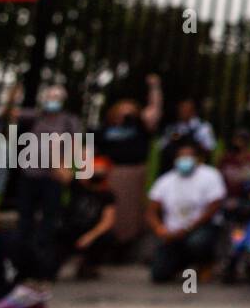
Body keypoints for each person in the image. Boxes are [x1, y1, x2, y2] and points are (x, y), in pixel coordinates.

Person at [14, 84, 82, 281]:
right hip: (29, 175)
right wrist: (13, 96)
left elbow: (75, 147)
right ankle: (20, 265)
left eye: (57, 97)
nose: (53, 100)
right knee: (25, 221)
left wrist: (64, 166)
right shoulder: (34, 117)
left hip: (53, 176)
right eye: (50, 96)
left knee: (49, 222)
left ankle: (44, 268)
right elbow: (10, 115)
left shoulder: (69, 121)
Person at [95, 74, 163, 253]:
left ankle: (126, 244)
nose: (125, 113)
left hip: (132, 172)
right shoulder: (106, 129)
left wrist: (154, 88)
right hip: (110, 171)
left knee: (129, 211)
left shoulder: (138, 126)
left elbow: (154, 112)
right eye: (122, 109)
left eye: (129, 110)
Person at [147, 140, 226, 283]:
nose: (184, 160)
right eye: (181, 157)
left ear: (198, 158)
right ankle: (183, 265)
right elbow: (151, 209)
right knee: (159, 275)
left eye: (189, 156)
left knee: (197, 242)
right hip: (172, 232)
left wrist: (188, 227)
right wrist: (159, 229)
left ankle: (205, 264)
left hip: (200, 228)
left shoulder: (210, 176)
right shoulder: (165, 180)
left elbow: (214, 206)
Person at [56, 155, 117, 280]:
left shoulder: (107, 195)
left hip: (91, 232)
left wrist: (89, 237)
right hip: (71, 229)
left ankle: (89, 265)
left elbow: (108, 221)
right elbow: (60, 170)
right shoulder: (78, 186)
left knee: (108, 237)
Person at [156, 97, 216, 174]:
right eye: (181, 109)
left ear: (193, 111)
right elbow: (161, 147)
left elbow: (209, 148)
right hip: (173, 169)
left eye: (187, 109)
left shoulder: (203, 127)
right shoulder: (172, 128)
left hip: (196, 169)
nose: (183, 112)